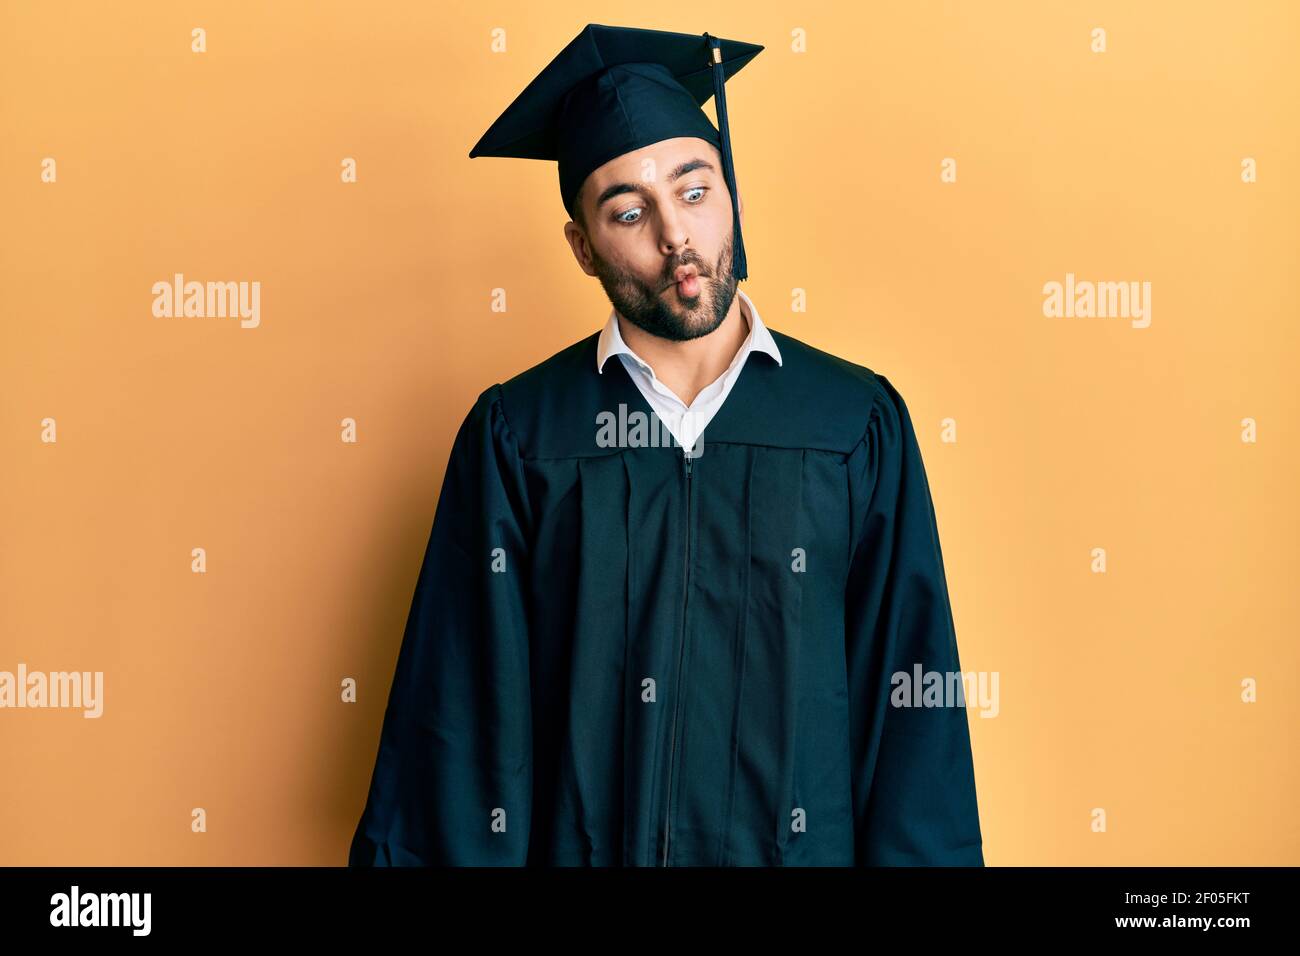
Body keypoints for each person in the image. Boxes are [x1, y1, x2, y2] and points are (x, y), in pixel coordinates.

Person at [348, 23, 984, 866]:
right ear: (582, 247)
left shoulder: (853, 425)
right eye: (627, 211)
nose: (674, 237)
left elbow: (912, 723)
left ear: (735, 199)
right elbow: (463, 721)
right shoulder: (522, 437)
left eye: (694, 190)